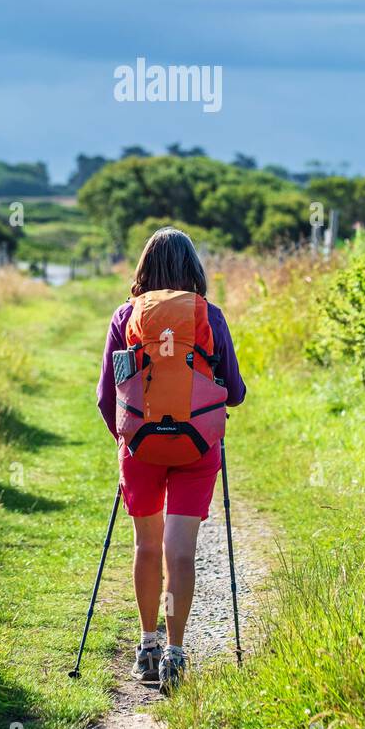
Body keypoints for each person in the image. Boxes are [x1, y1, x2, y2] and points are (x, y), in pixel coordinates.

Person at [97, 226, 246, 692]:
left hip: (141, 448)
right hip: (196, 448)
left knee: (146, 546)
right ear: (193, 269)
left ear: (144, 268)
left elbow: (107, 397)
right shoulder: (211, 317)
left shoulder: (125, 316)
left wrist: (129, 439)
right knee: (180, 551)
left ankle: (146, 646)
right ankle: (176, 654)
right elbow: (235, 393)